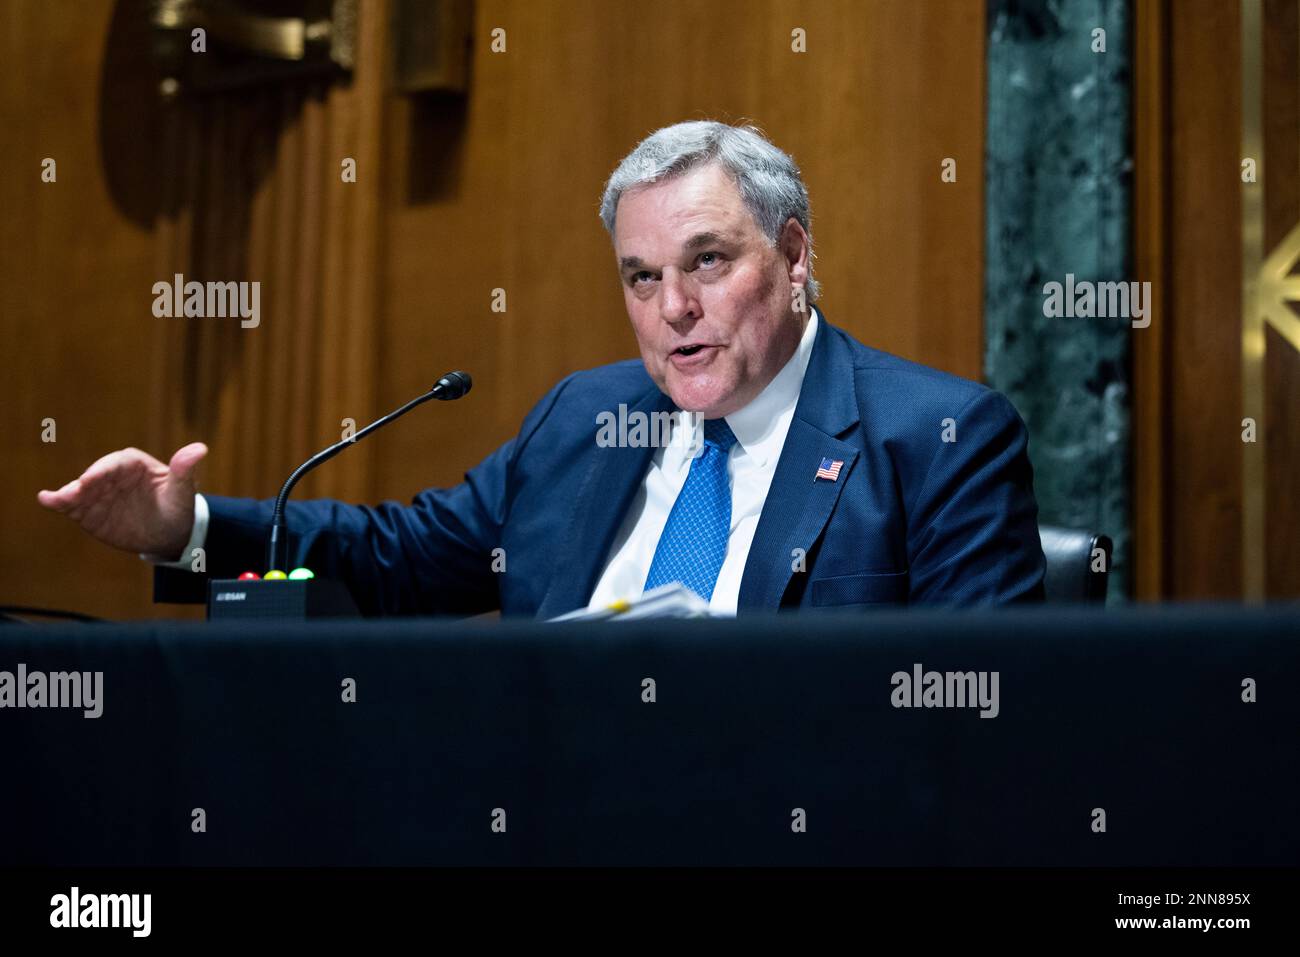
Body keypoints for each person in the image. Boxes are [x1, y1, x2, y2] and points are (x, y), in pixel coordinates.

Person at [38, 121, 1045, 617]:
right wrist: (191, 530)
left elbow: (982, 719)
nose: (672, 311)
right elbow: (403, 555)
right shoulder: (586, 417)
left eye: (707, 262)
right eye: (640, 278)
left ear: (793, 257)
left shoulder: (939, 439)